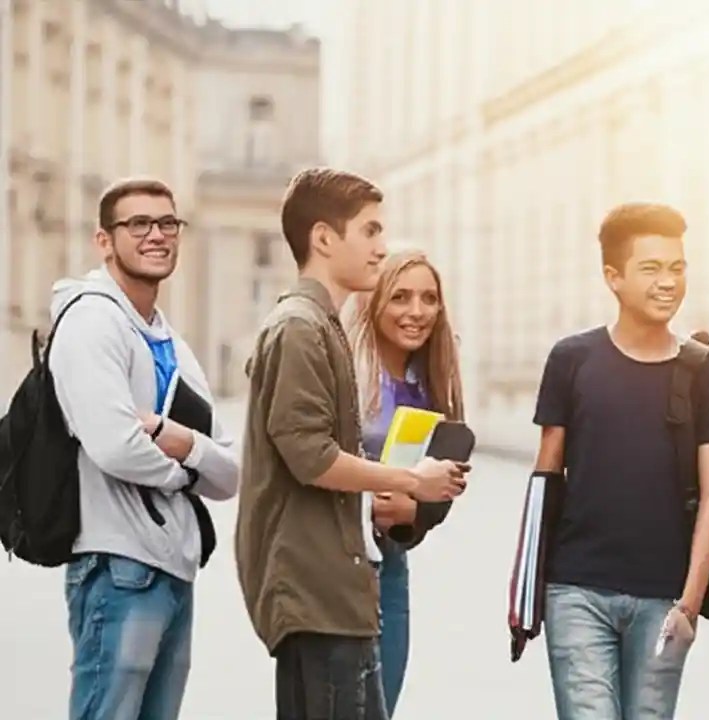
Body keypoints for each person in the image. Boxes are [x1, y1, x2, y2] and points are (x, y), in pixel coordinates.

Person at [234, 168, 471, 720]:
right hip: (317, 593)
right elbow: (310, 456)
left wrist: (420, 499)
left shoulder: (320, 324)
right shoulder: (300, 327)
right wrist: (411, 478)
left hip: (346, 585)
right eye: (369, 231)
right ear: (323, 238)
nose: (380, 247)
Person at [531, 203, 709, 719]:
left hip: (664, 600)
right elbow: (545, 478)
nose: (668, 282)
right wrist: (527, 591)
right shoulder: (571, 360)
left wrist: (689, 605)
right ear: (614, 277)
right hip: (576, 592)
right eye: (651, 269)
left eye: (677, 268)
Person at [50, 177, 240, 720]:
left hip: (173, 568)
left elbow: (230, 473)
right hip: (117, 567)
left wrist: (178, 440)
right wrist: (189, 468)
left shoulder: (165, 339)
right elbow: (116, 448)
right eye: (138, 224)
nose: (156, 235)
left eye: (167, 224)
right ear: (104, 241)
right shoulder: (91, 321)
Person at [344, 250, 466, 716]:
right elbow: (310, 462)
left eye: (429, 298)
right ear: (374, 303)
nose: (417, 311)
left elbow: (443, 482)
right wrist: (368, 501)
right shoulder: (348, 372)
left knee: (382, 707)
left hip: (393, 566)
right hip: (343, 565)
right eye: (401, 297)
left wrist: (421, 510)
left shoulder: (429, 380)